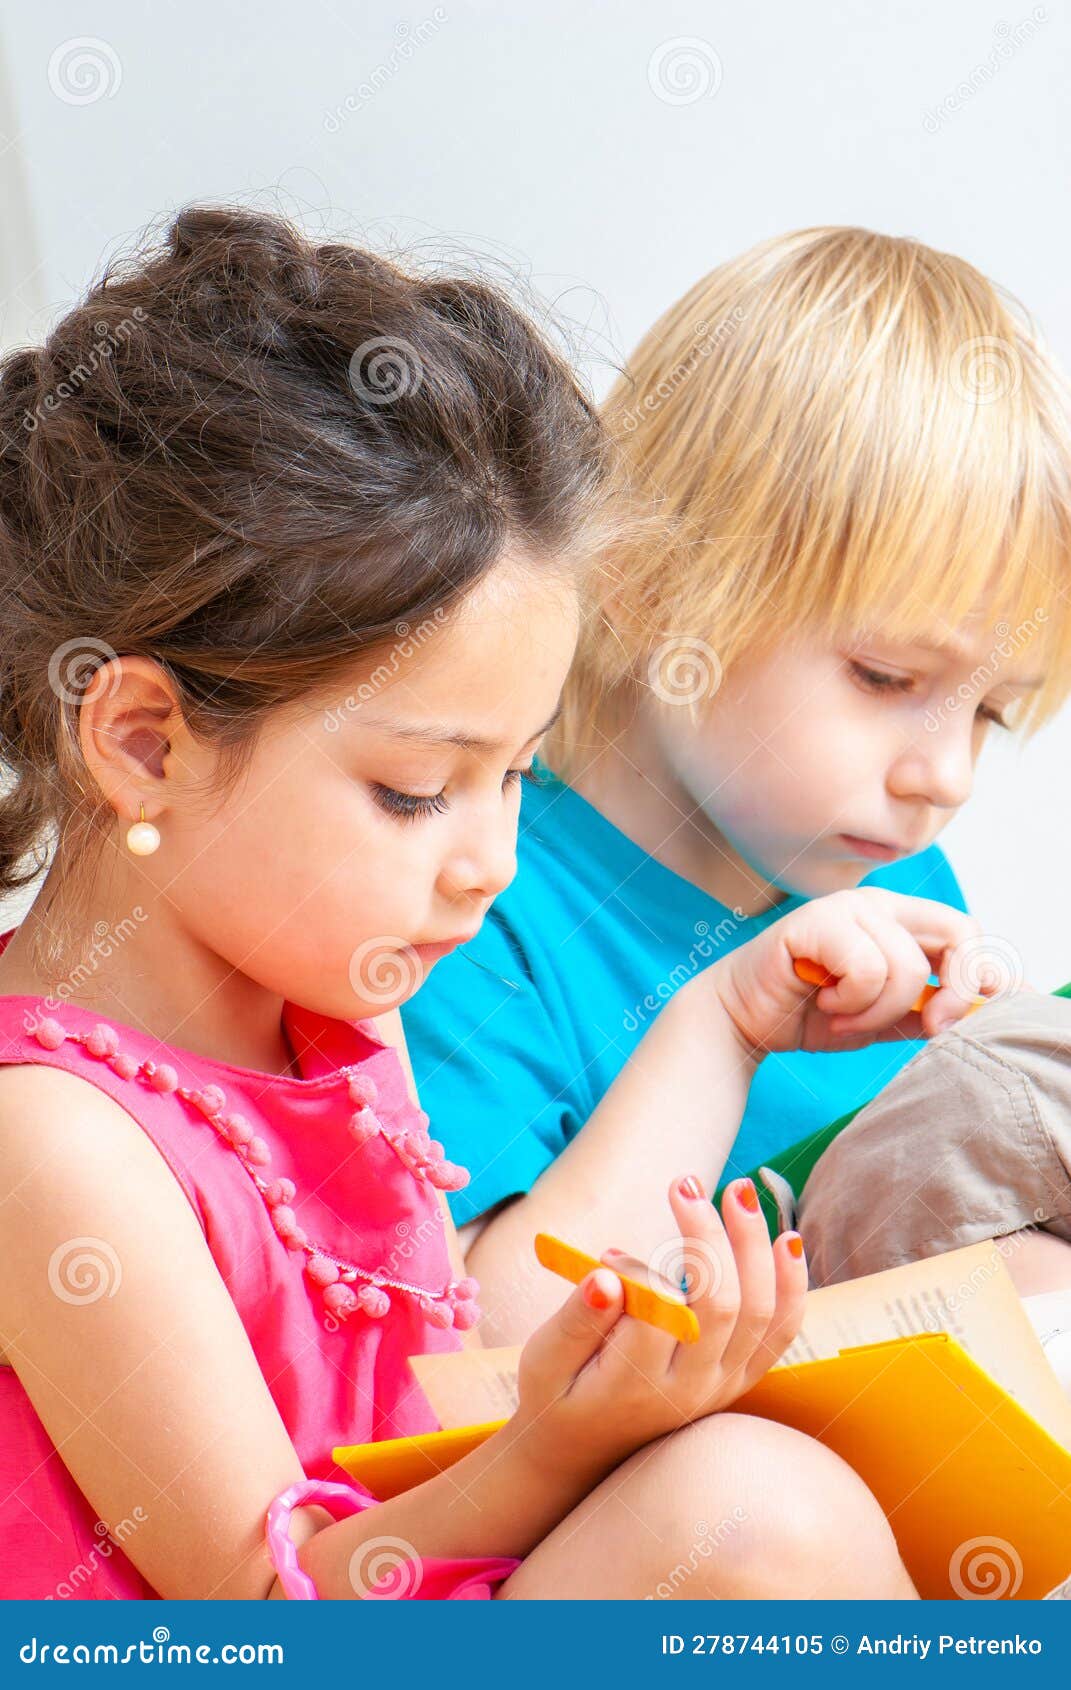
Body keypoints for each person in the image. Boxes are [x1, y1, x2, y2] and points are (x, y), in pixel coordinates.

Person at [0, 205, 968, 1601]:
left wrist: (616, 1383)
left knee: (768, 1486)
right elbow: (269, 1617)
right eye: (414, 790)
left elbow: (408, 1430)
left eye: (516, 774)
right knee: (749, 1515)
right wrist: (565, 1440)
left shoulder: (335, 1015)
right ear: (146, 741)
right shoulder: (49, 1135)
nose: (489, 860)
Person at [401, 226, 1071, 1338]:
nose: (944, 774)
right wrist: (731, 1025)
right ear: (655, 588)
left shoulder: (902, 878)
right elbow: (492, 1350)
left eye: (992, 714)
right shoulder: (474, 909)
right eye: (886, 676)